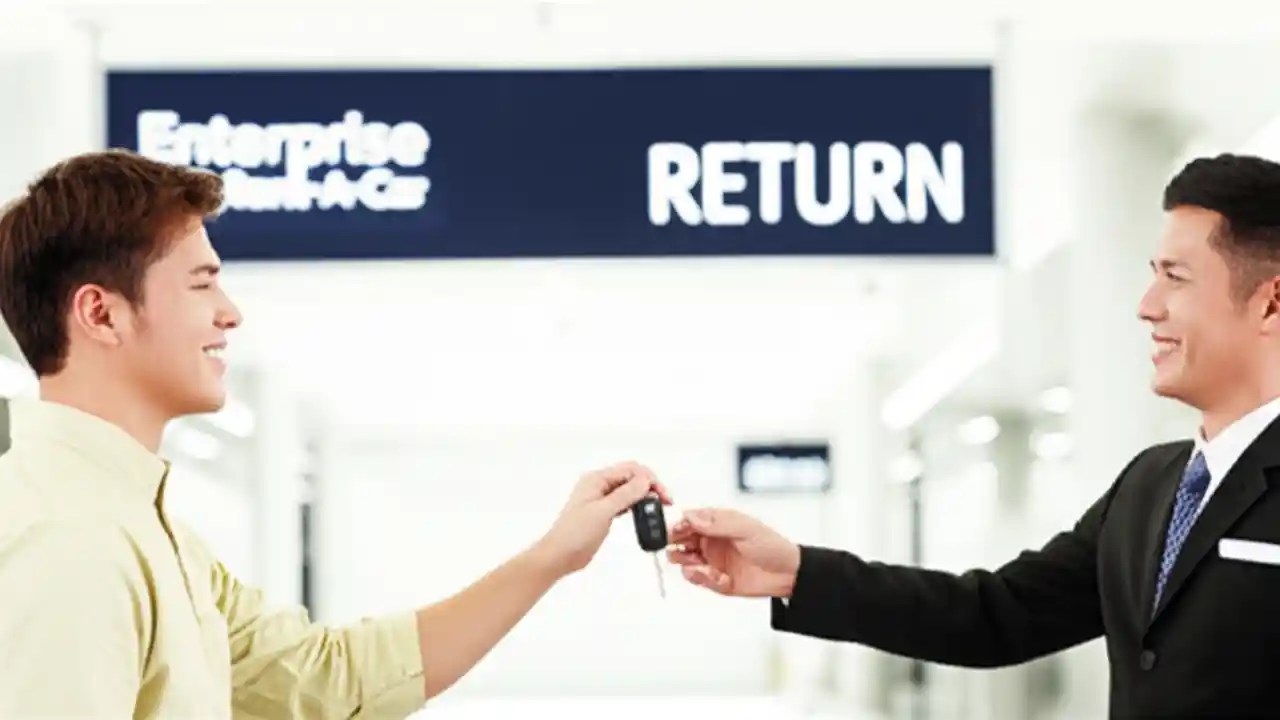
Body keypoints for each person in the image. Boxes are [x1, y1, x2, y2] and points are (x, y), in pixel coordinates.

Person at [0, 149, 671, 719]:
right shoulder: (66, 538)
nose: (229, 313)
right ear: (100, 313)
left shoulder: (140, 524)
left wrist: (552, 555)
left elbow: (330, 678)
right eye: (202, 283)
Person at [668, 153, 1280, 718]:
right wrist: (797, 573)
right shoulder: (1151, 485)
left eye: (1176, 277)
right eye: (1153, 276)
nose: (1147, 306)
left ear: (1270, 303)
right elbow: (995, 615)